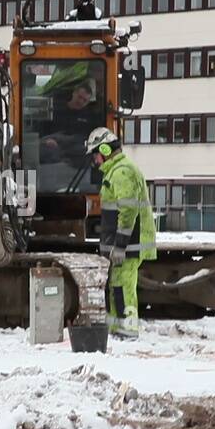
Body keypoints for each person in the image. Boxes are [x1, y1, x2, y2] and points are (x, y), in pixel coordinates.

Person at [84, 127, 157, 340]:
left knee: (124, 286)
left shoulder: (122, 172)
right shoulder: (115, 172)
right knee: (117, 285)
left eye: (95, 154)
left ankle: (128, 329)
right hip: (124, 244)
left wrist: (120, 245)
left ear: (105, 150)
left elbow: (128, 211)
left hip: (129, 245)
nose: (95, 160)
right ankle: (117, 328)